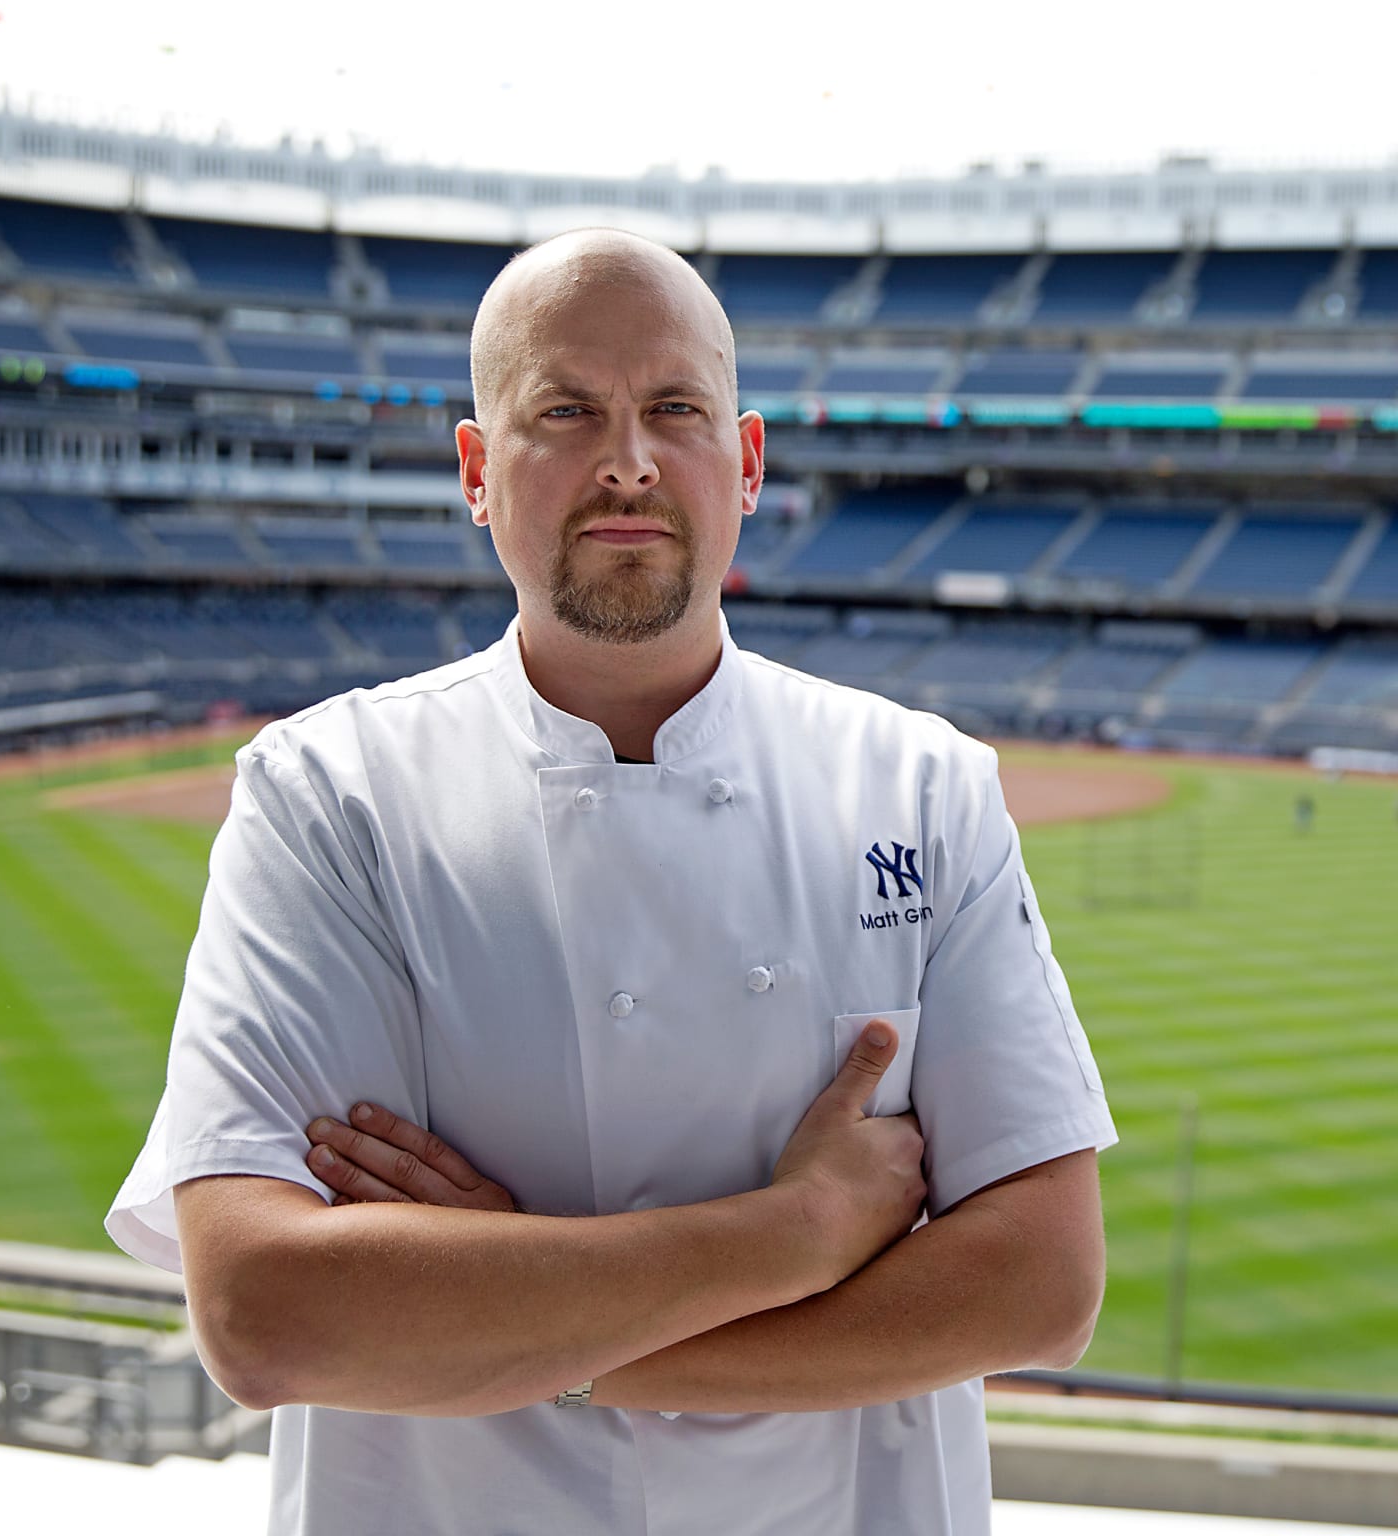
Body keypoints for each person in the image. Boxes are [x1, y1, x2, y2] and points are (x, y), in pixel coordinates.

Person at [107, 228, 1117, 1535]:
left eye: (675, 410)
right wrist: (800, 1235)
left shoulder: (924, 787)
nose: (628, 460)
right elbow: (265, 1313)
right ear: (477, 471)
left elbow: (1042, 1286)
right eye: (566, 411)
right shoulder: (327, 796)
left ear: (747, 461)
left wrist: (521, 1336)